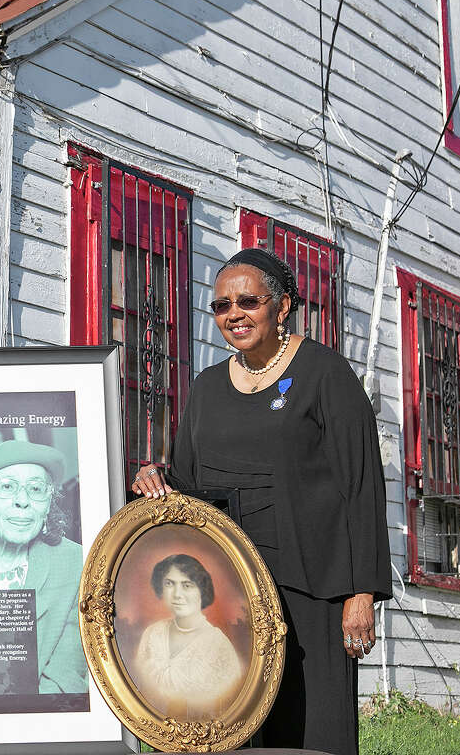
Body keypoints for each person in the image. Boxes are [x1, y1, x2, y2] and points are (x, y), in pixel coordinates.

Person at [131, 248, 390, 755]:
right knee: (230, 732)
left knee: (311, 733)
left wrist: (362, 593)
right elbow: (186, 487)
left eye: (248, 301)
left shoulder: (325, 374)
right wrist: (151, 481)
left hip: (312, 589)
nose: (234, 314)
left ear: (282, 305)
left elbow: (362, 486)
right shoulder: (206, 388)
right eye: (222, 305)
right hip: (231, 592)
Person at [0, 440, 87, 695]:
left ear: (48, 504)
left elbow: (65, 679)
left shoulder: (75, 563)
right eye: (7, 486)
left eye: (36, 489)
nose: (23, 500)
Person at [134, 554, 243, 719]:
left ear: (202, 590)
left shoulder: (218, 645)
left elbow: (229, 705)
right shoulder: (152, 633)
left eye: (187, 585)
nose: (177, 594)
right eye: (169, 584)